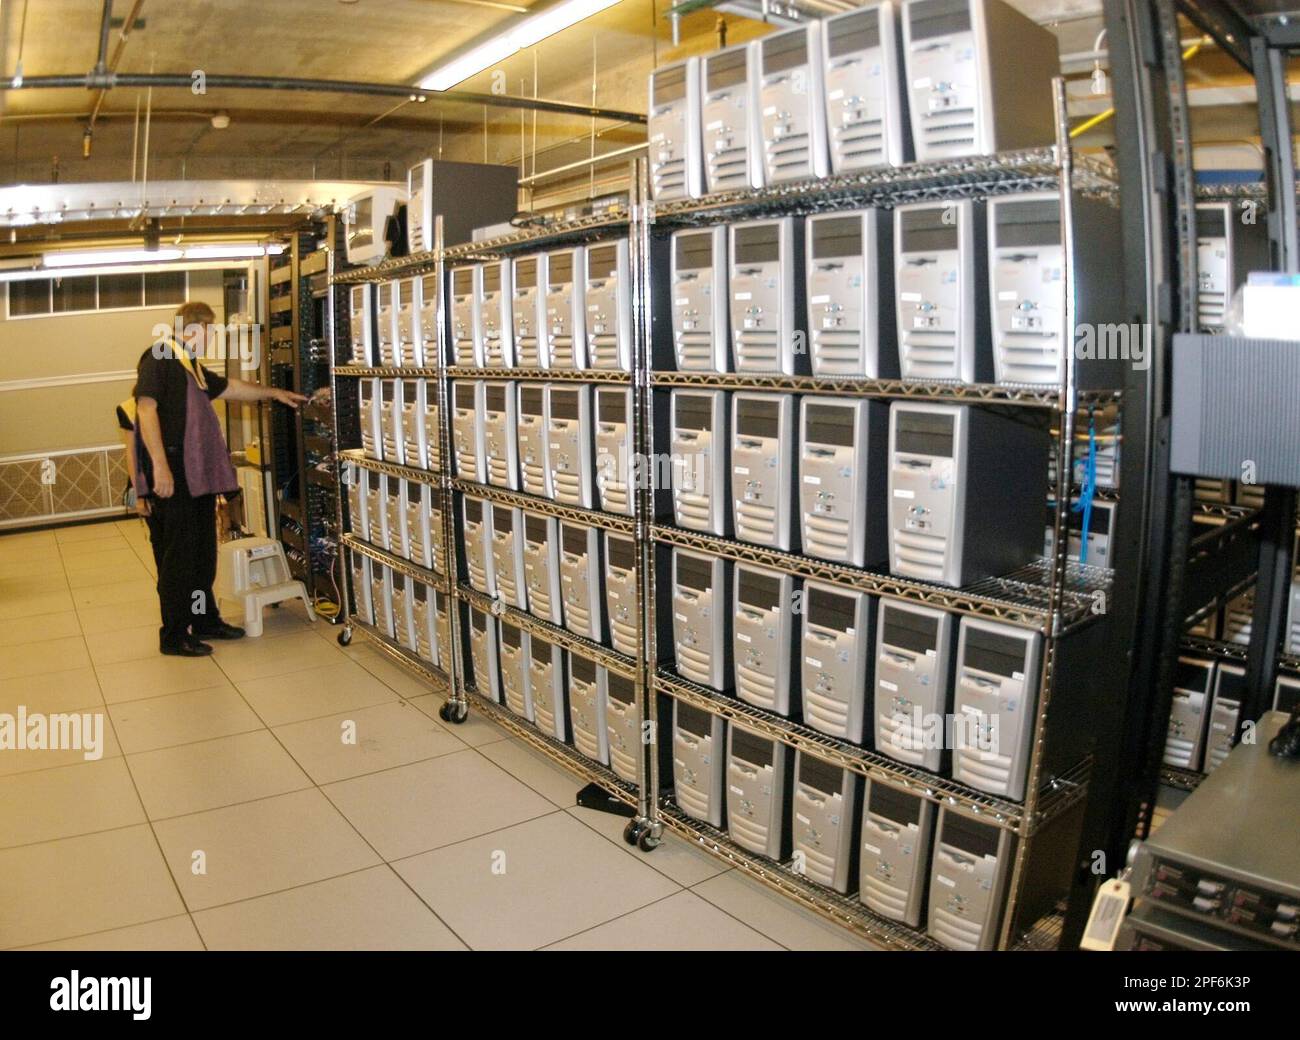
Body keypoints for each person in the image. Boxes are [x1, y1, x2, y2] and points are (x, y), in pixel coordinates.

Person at [133, 301, 307, 657]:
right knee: (178, 558)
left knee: (201, 555)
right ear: (198, 329)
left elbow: (230, 388)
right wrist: (161, 467)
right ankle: (174, 633)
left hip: (196, 477)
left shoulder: (191, 367)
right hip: (174, 473)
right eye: (212, 332)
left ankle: (204, 618)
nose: (213, 339)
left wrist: (273, 393)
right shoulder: (160, 357)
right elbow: (145, 409)